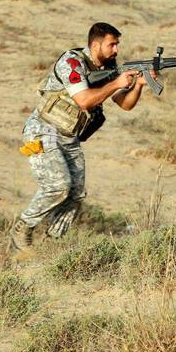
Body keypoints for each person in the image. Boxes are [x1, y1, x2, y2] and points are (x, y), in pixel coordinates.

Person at [10, 22, 154, 258]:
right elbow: (85, 101)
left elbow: (125, 104)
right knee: (58, 186)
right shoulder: (72, 63)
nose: (116, 50)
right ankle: (21, 231)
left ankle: (53, 244)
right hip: (44, 130)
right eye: (112, 44)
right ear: (96, 44)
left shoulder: (109, 67)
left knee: (76, 193)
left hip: (69, 136)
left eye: (117, 44)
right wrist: (117, 83)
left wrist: (138, 85)